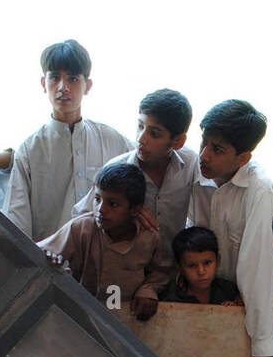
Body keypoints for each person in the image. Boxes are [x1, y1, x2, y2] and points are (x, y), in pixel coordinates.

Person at [188, 99, 273, 357]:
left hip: (239, 303)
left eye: (217, 149)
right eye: (204, 142)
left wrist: (261, 353)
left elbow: (257, 267)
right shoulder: (196, 171)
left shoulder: (259, 189)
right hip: (198, 294)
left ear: (243, 158)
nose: (204, 155)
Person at [6, 39, 132, 242]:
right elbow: (17, 225)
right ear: (43, 83)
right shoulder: (30, 151)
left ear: (87, 86)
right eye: (54, 78)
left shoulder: (114, 142)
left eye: (73, 79)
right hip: (49, 266)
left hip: (106, 265)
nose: (63, 87)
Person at [39, 163, 169, 320]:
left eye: (112, 204)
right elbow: (39, 253)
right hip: (83, 316)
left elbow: (161, 272)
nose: (101, 209)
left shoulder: (149, 238)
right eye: (97, 199)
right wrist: (53, 263)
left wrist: (148, 291)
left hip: (127, 320)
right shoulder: (81, 229)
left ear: (135, 209)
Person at [75, 89, 198, 252]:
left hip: (174, 268)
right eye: (140, 126)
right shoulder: (116, 169)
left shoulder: (191, 164)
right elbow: (81, 217)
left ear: (178, 141)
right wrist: (122, 211)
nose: (141, 139)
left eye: (154, 133)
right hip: (125, 268)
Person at [160, 227, 242, 305]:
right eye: (192, 266)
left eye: (207, 263)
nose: (201, 272)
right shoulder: (170, 297)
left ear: (218, 260)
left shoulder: (229, 291)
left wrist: (235, 307)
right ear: (179, 267)